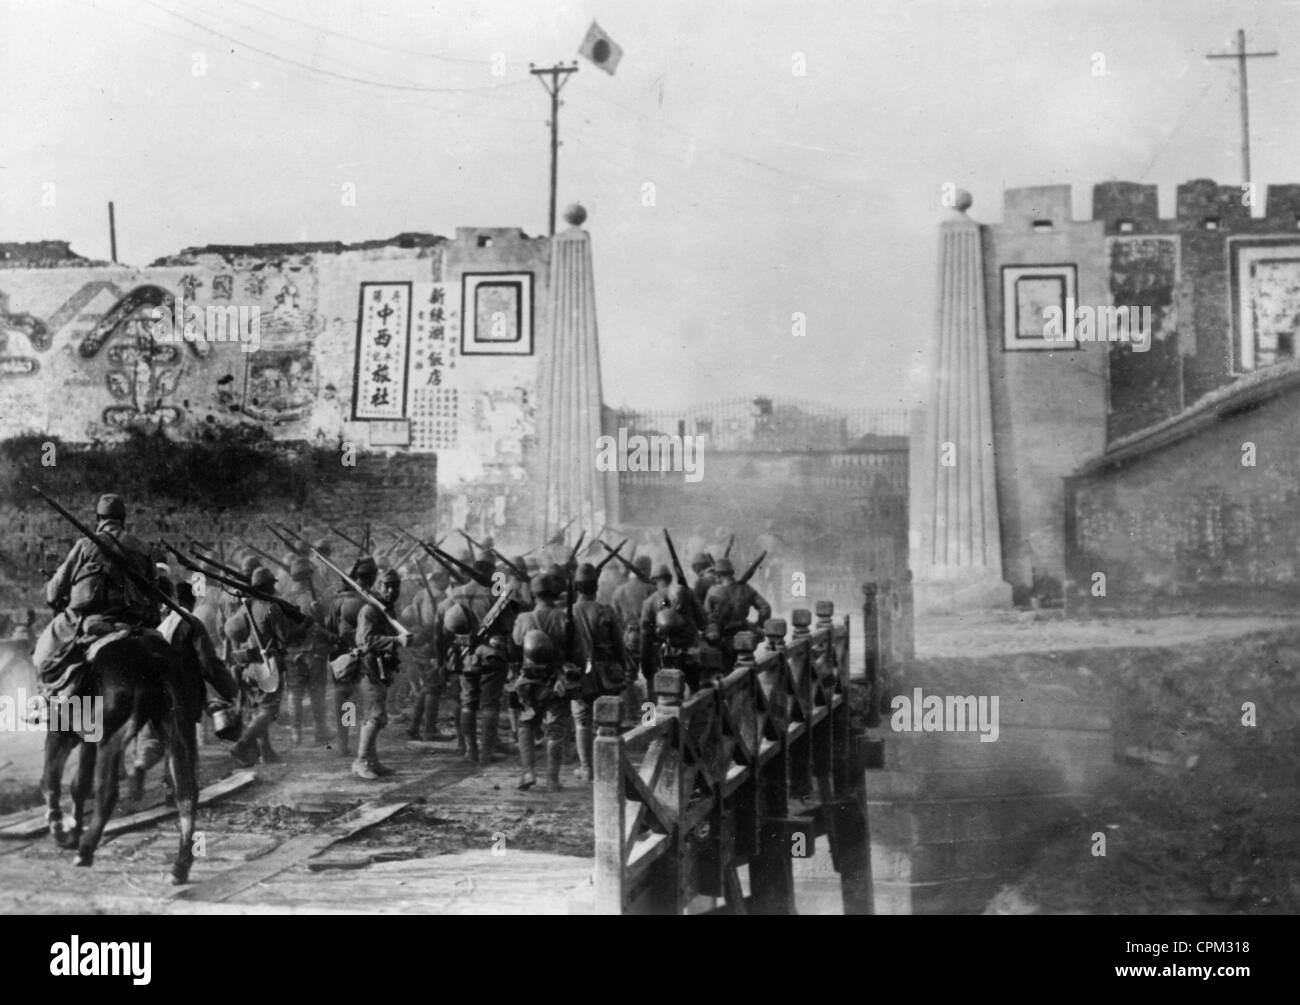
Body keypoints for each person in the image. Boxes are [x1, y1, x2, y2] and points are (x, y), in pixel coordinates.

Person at [32, 493, 159, 696]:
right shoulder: (143, 549)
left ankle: (45, 704)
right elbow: (154, 592)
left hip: (91, 619)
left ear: (98, 518)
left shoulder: (85, 545)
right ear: (123, 519)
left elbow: (54, 592)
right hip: (135, 622)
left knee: (42, 657)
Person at [227, 566, 299, 767]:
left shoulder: (244, 607)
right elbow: (285, 637)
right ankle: (242, 744)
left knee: (258, 709)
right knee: (269, 711)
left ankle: (266, 753)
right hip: (267, 666)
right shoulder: (271, 608)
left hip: (249, 665)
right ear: (268, 587)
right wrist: (301, 627)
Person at [510, 574, 573, 791]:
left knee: (526, 724)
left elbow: (518, 642)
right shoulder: (563, 617)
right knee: (555, 729)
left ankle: (528, 772)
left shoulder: (523, 619)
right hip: (555, 680)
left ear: (533, 594)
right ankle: (553, 780)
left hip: (528, 680)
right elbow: (573, 649)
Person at [569, 563, 630, 781]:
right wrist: (624, 668)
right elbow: (619, 646)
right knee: (607, 719)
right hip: (607, 674)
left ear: (577, 588)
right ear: (596, 588)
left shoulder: (568, 612)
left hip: (579, 676)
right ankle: (608, 766)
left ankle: (586, 768)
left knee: (582, 721)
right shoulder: (606, 611)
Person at [348, 568, 408, 780]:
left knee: (376, 715)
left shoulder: (387, 609)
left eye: (395, 586)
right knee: (375, 715)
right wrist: (396, 641)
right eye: (386, 586)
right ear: (378, 586)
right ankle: (361, 761)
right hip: (368, 668)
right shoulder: (370, 610)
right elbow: (366, 640)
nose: (391, 590)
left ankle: (371, 761)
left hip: (381, 668)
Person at [324, 556, 379, 758]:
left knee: (345, 698)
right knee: (362, 699)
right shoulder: (368, 600)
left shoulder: (337, 601)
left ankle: (344, 743)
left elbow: (329, 628)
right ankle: (360, 744)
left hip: (340, 654)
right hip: (361, 654)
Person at [283, 556, 333, 746]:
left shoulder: (284, 599)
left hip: (292, 653)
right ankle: (320, 731)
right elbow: (327, 623)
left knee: (294, 694)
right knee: (317, 693)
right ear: (308, 577)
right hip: (315, 652)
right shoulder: (315, 596)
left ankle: (296, 735)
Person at [704, 557, 772, 671]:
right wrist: (758, 625)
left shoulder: (713, 591)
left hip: (723, 639)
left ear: (718, 575)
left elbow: (706, 617)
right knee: (746, 669)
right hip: (745, 636)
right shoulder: (745, 588)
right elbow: (765, 608)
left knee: (727, 674)